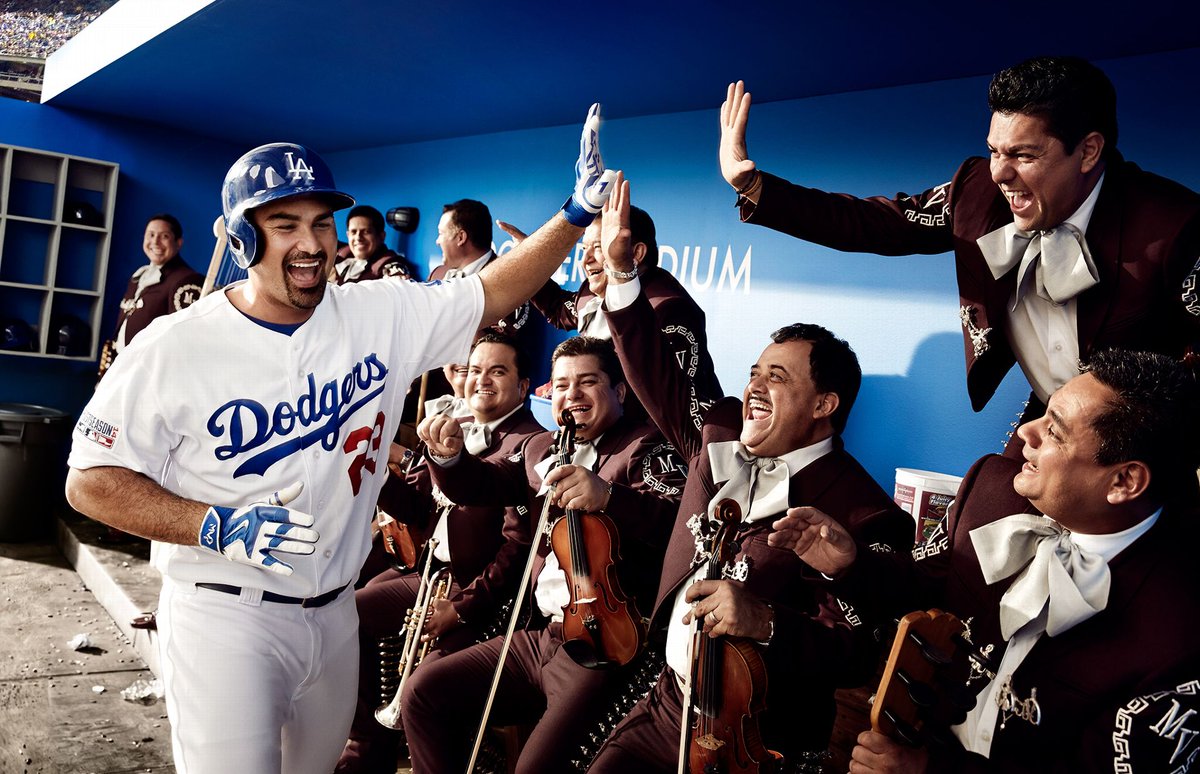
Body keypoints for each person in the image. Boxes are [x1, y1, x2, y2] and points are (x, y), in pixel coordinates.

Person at [64, 106, 618, 774]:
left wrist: (576, 213)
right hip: (225, 615)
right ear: (242, 239)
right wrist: (212, 525)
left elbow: (491, 293)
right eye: (285, 225)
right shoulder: (177, 344)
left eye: (321, 223)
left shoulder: (377, 312)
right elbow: (89, 480)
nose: (311, 243)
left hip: (333, 616)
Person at [588, 191, 913, 767]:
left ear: (825, 404)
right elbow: (656, 373)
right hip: (666, 705)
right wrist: (621, 273)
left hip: (757, 741)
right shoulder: (717, 433)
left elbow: (857, 651)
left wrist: (765, 621)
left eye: (778, 377)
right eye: (755, 371)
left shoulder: (865, 513)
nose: (755, 387)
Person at [720, 57, 1200, 440]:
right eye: (994, 150)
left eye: (1024, 155)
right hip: (1047, 422)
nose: (1000, 173)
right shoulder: (976, 192)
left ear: (1089, 151)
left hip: (1143, 440)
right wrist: (756, 187)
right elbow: (873, 223)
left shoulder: (1176, 226)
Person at [770, 348, 1200, 772]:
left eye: (1055, 431)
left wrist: (927, 771)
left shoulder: (1179, 638)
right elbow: (924, 583)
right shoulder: (991, 490)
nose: (1026, 432)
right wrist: (851, 565)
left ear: (1124, 480)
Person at [401, 335, 687, 773]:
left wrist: (609, 496)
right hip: (540, 636)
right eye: (562, 386)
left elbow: (676, 525)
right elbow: (481, 485)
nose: (572, 395)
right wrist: (449, 458)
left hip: (604, 644)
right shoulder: (542, 447)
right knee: (423, 693)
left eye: (587, 382)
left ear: (620, 391)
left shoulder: (648, 446)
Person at [336, 333, 545, 774]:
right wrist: (375, 471)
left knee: (425, 689)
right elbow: (418, 510)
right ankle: (368, 749)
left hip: (489, 600)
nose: (481, 380)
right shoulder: (455, 425)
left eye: (498, 371)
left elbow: (518, 549)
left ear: (524, 385)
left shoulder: (530, 443)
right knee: (345, 616)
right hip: (436, 576)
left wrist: (462, 609)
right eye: (475, 370)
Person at [509, 203, 723, 431]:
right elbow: (558, 308)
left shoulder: (668, 310)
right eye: (584, 249)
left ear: (636, 254)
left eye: (598, 247)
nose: (586, 260)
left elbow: (672, 402)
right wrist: (529, 263)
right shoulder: (593, 291)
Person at [101, 213, 203, 373]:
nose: (155, 242)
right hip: (122, 368)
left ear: (178, 243)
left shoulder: (187, 279)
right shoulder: (139, 277)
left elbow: (181, 340)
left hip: (149, 372)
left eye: (164, 236)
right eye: (151, 235)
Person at [333, 204, 418, 283]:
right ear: (348, 235)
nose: (358, 238)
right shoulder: (342, 253)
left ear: (381, 236)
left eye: (366, 232)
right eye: (353, 232)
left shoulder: (389, 265)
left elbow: (398, 279)